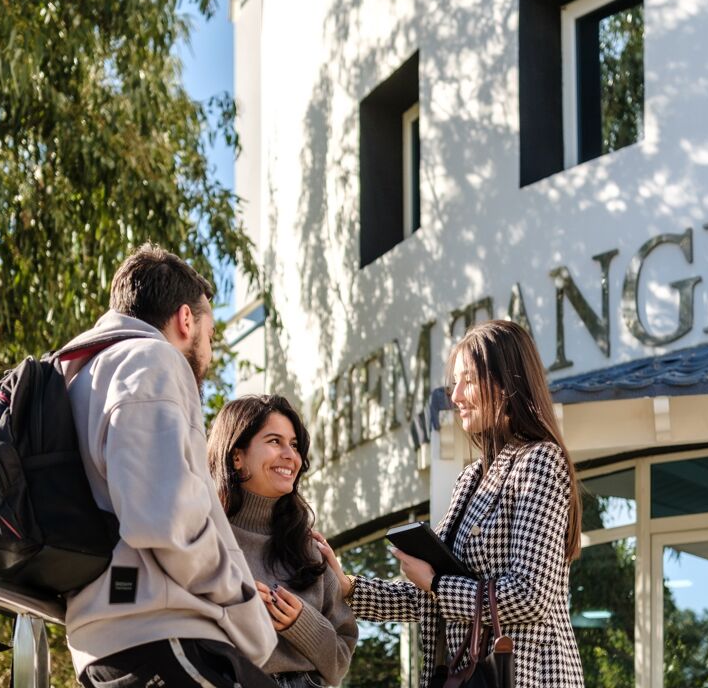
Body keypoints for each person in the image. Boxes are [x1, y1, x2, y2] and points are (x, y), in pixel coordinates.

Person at [319, 319, 587, 688]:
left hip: (530, 676)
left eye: (469, 380)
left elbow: (530, 595)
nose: (456, 395)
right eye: (455, 382)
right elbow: (427, 597)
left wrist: (437, 584)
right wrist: (349, 587)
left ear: (507, 382)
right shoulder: (470, 478)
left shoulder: (540, 461)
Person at [61, 244, 278, 688]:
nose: (209, 353)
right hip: (163, 634)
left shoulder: (79, 373)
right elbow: (163, 520)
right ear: (185, 320)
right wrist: (237, 595)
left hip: (103, 638)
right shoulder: (153, 359)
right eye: (210, 336)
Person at [207, 394, 358, 688]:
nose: (291, 455)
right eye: (275, 441)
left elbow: (340, 661)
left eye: (294, 445)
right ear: (237, 456)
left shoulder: (310, 551)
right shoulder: (200, 539)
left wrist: (302, 623)